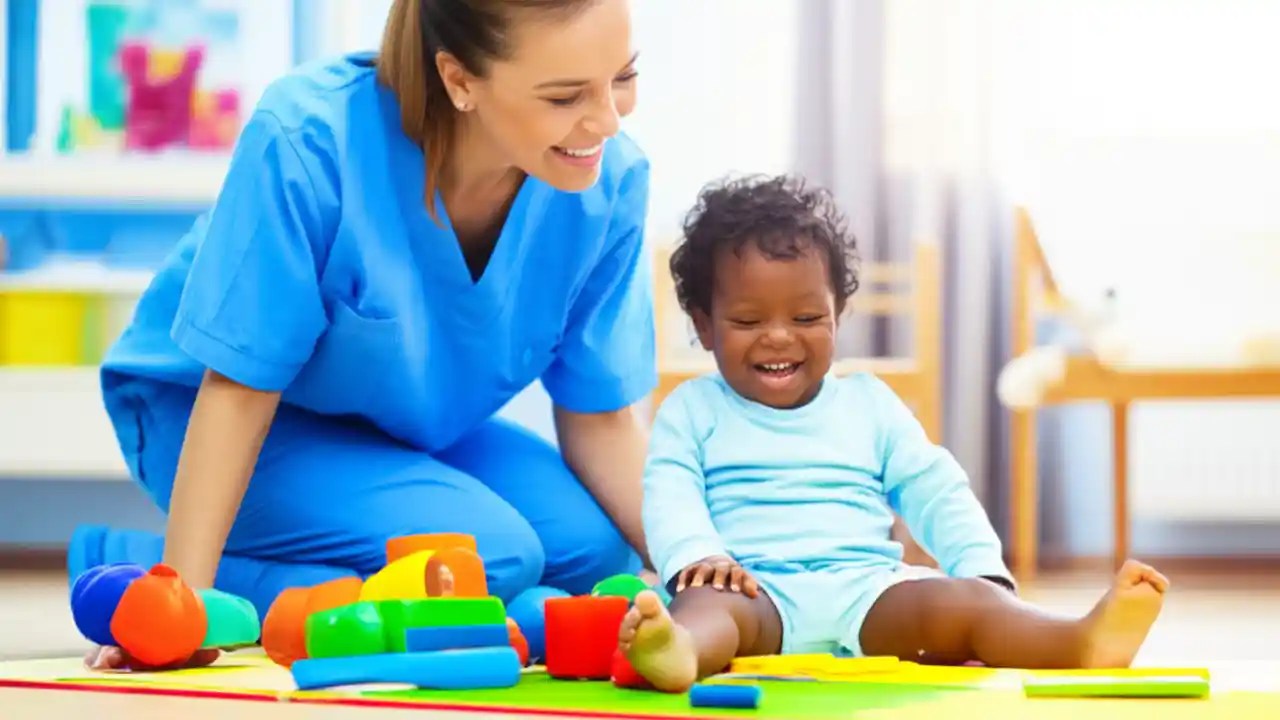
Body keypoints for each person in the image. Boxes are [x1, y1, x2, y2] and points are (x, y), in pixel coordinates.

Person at [74, 0, 656, 669]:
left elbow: (602, 418)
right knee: (491, 557)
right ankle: (138, 571)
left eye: (623, 77)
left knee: (592, 551)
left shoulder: (609, 182)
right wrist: (181, 608)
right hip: (208, 409)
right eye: (564, 97)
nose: (608, 119)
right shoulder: (310, 137)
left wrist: (705, 569)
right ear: (460, 80)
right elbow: (238, 388)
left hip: (393, 424)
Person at [617, 175, 1170, 693]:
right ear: (704, 325)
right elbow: (669, 493)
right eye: (748, 321)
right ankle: (679, 651)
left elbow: (935, 488)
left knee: (967, 604)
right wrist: (698, 557)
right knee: (705, 608)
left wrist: (981, 568)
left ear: (838, 313)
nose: (780, 337)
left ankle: (1077, 642)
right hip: (752, 591)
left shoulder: (869, 403)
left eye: (807, 319)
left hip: (868, 590)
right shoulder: (691, 409)